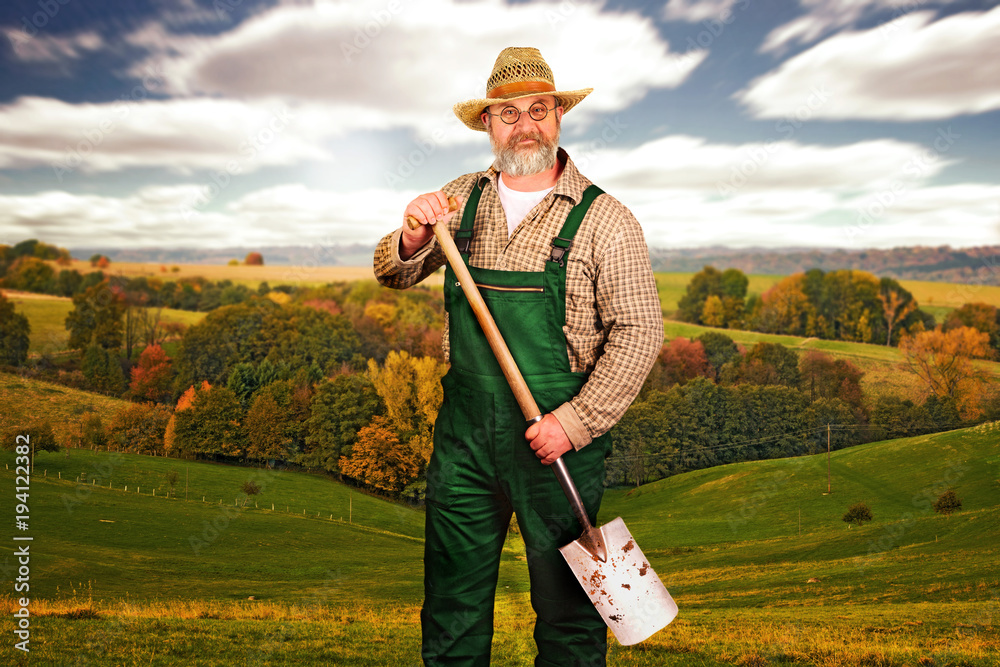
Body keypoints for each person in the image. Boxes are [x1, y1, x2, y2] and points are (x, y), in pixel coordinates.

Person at [373, 46, 663, 667]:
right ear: (487, 124)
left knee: (568, 619)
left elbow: (639, 333)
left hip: (556, 439)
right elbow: (393, 275)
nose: (524, 124)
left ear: (558, 115)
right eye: (508, 113)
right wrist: (414, 235)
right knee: (451, 606)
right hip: (465, 440)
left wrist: (574, 424)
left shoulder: (606, 221)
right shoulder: (456, 201)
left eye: (538, 109)